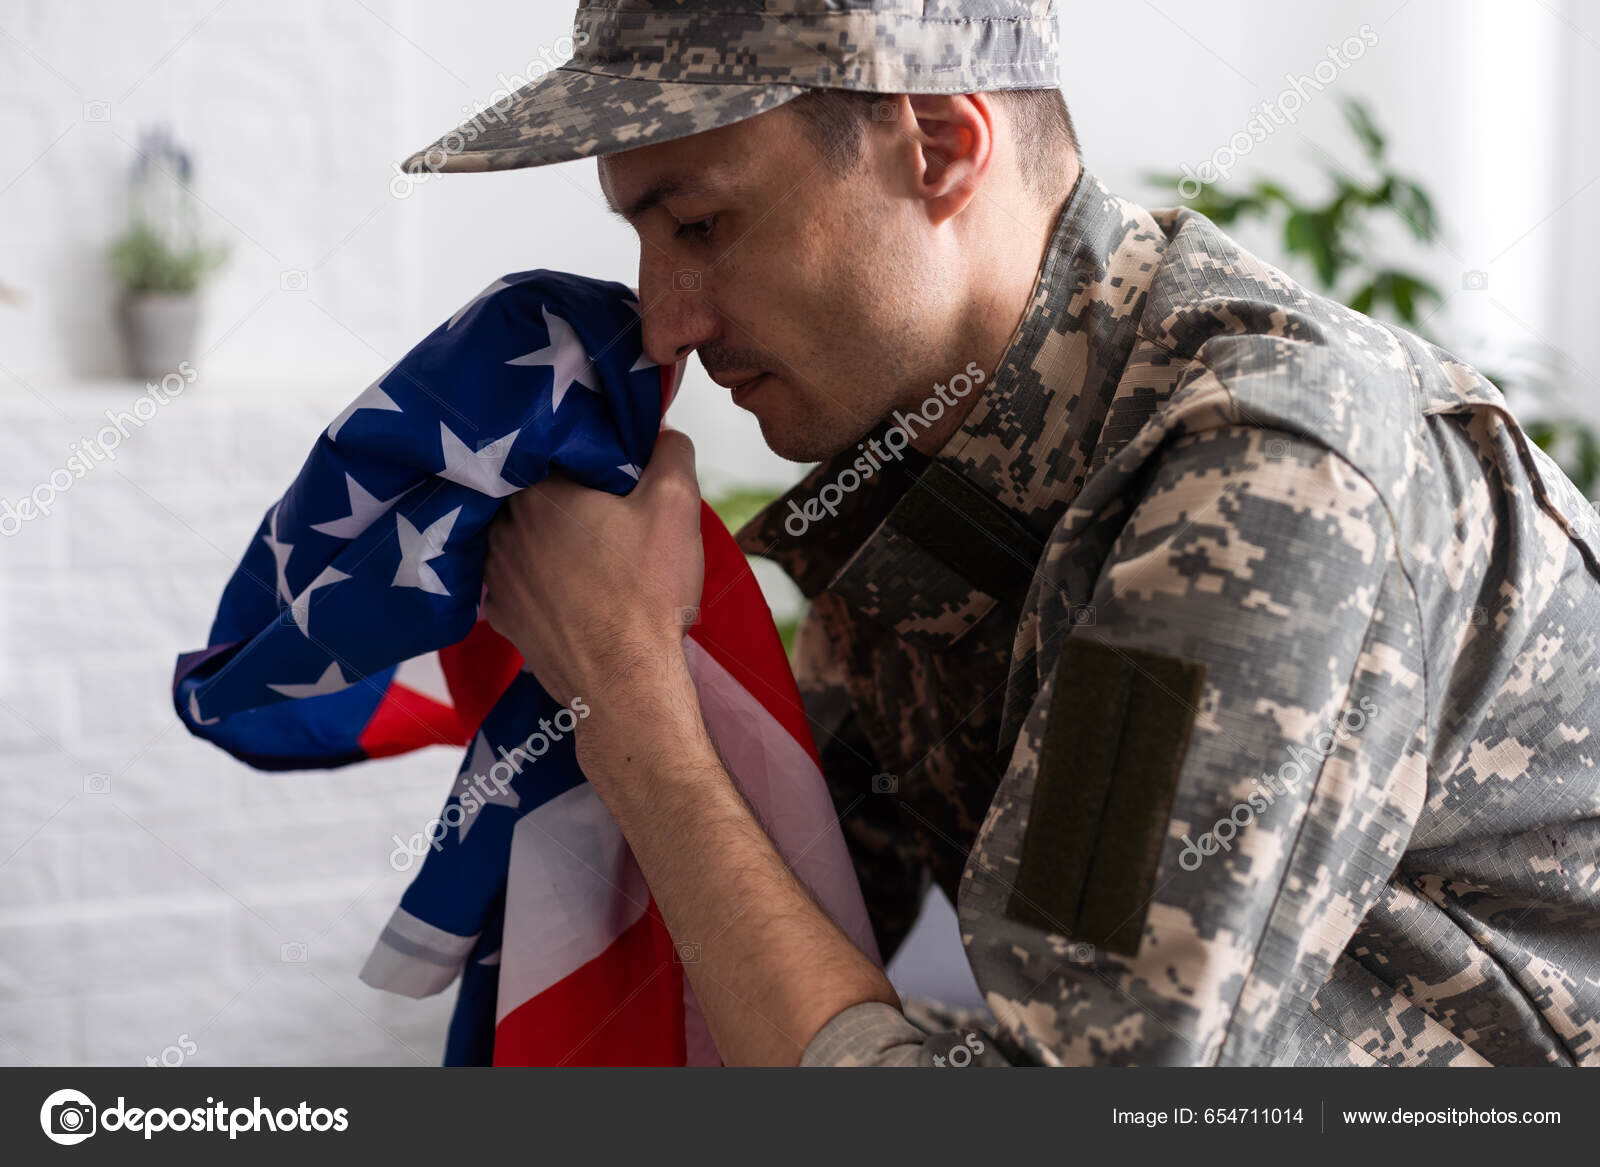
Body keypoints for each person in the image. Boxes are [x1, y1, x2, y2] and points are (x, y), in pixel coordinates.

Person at [405, 0, 1600, 1066]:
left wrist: (621, 685)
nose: (663, 323)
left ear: (940, 147)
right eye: (642, 240)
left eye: (704, 226)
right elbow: (755, 954)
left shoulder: (1267, 471)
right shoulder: (919, 468)